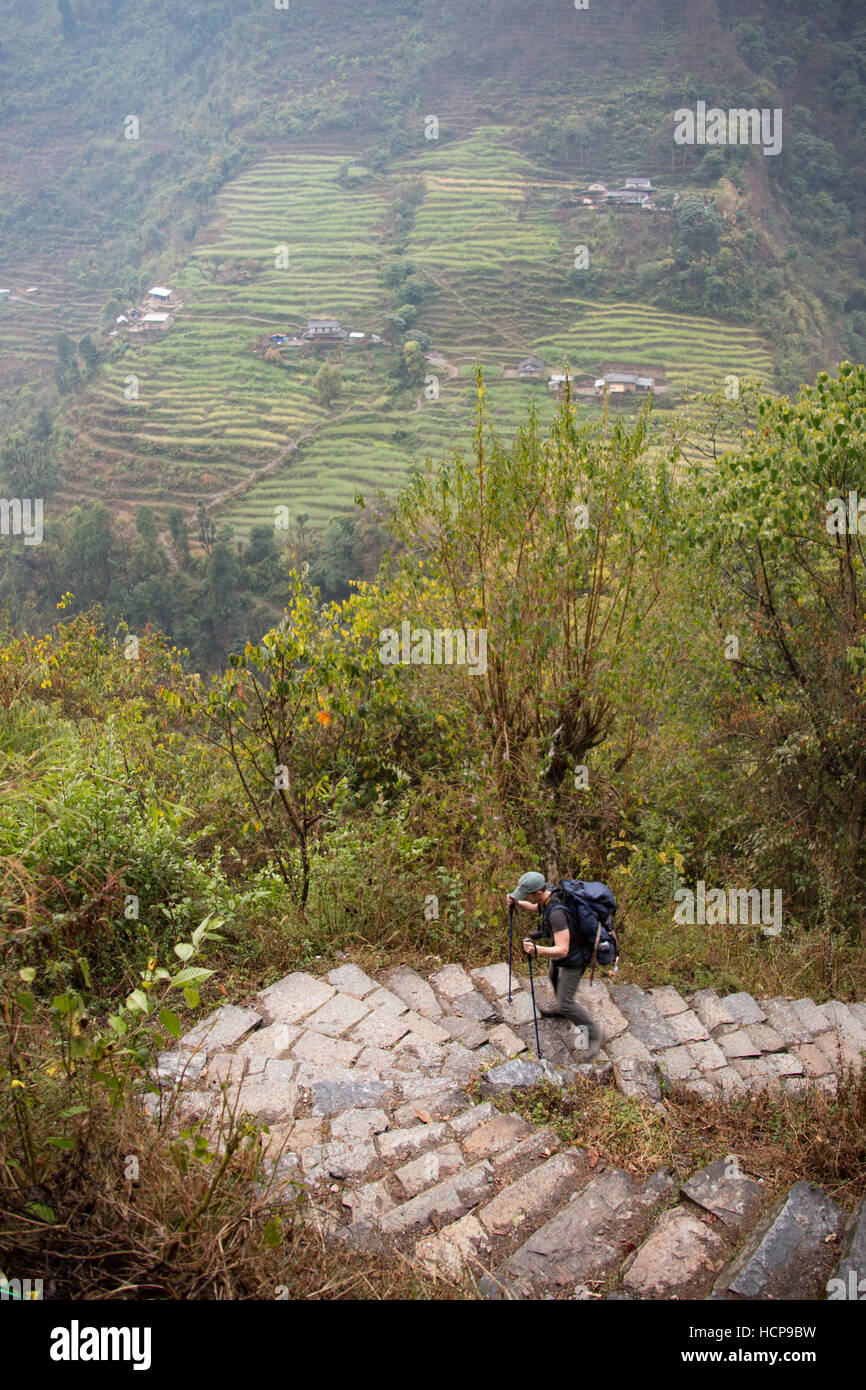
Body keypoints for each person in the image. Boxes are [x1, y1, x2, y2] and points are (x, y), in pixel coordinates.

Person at [506, 871, 602, 1059]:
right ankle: (561, 1006)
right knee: (552, 974)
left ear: (537, 893)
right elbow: (536, 907)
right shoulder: (549, 893)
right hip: (566, 950)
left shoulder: (557, 914)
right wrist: (518, 902)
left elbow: (562, 950)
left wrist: (537, 950)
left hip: (575, 957)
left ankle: (594, 1036)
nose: (525, 897)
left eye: (526, 895)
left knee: (567, 1002)